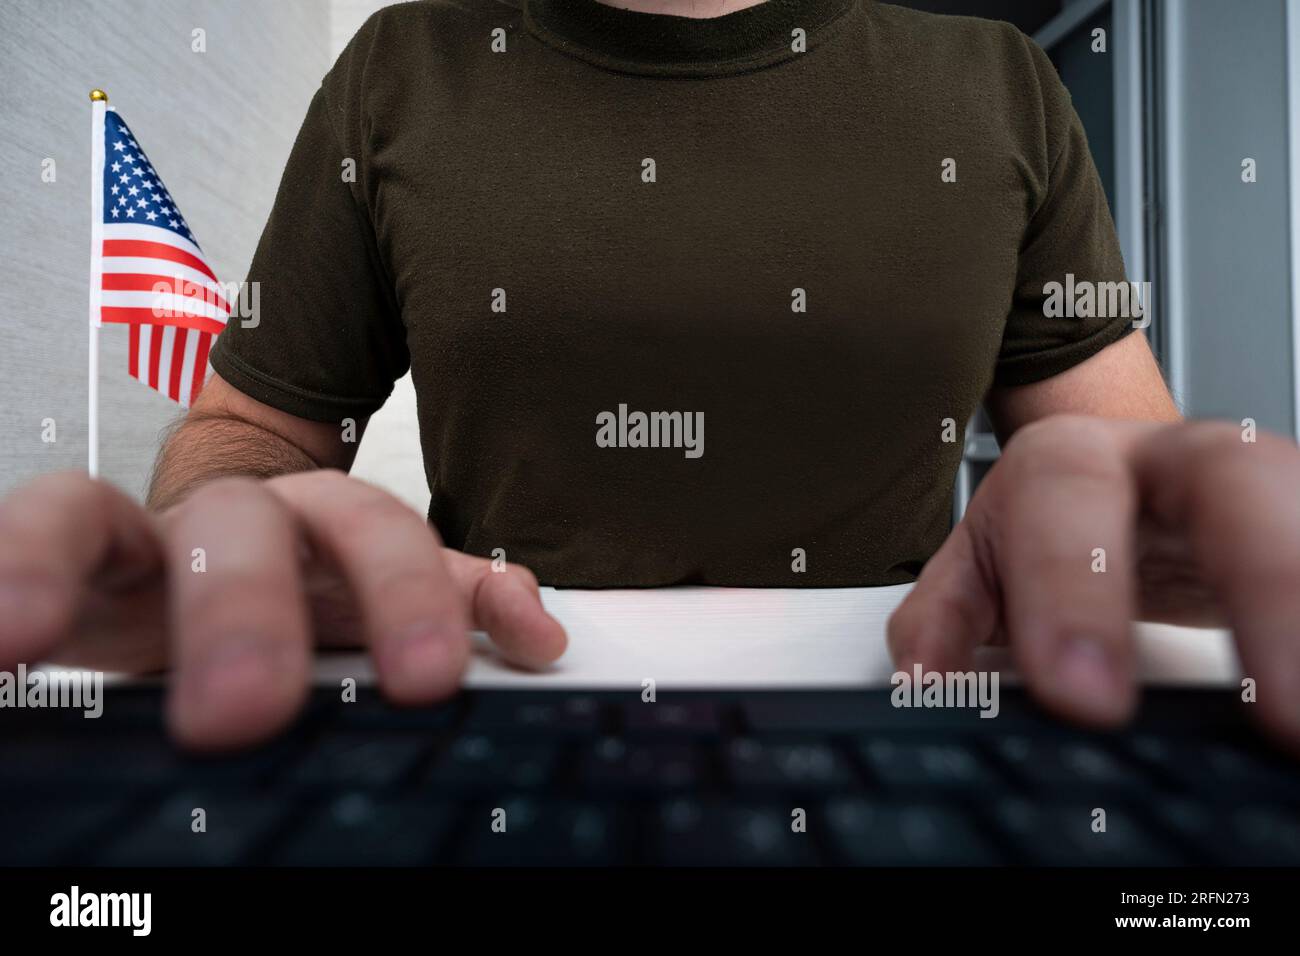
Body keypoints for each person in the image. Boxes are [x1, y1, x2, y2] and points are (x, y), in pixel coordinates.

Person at [1, 0, 1297, 751]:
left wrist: (1145, 518)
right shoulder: (400, 69)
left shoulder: (1002, 84)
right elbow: (245, 433)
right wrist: (234, 523)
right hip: (495, 716)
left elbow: (1130, 499)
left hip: (913, 720)